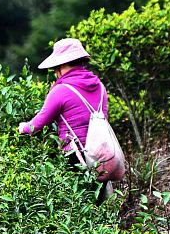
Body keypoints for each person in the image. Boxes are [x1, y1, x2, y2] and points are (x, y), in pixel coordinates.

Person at [17, 37, 115, 202]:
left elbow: (38, 124)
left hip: (75, 157)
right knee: (97, 204)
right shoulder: (100, 86)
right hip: (101, 156)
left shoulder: (61, 90)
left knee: (77, 205)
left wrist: (23, 127)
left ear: (61, 66)